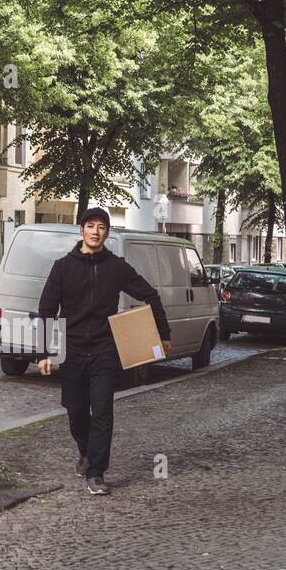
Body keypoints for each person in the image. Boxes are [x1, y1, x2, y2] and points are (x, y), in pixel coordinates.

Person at [35, 207, 171, 495]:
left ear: (107, 233)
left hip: (104, 350)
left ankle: (96, 473)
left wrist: (164, 334)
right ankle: (86, 451)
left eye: (101, 227)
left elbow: (151, 295)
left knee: (103, 411)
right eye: (91, 226)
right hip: (71, 350)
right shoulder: (63, 267)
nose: (96, 231)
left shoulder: (117, 267)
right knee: (75, 409)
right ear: (81, 230)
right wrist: (44, 353)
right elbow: (47, 310)